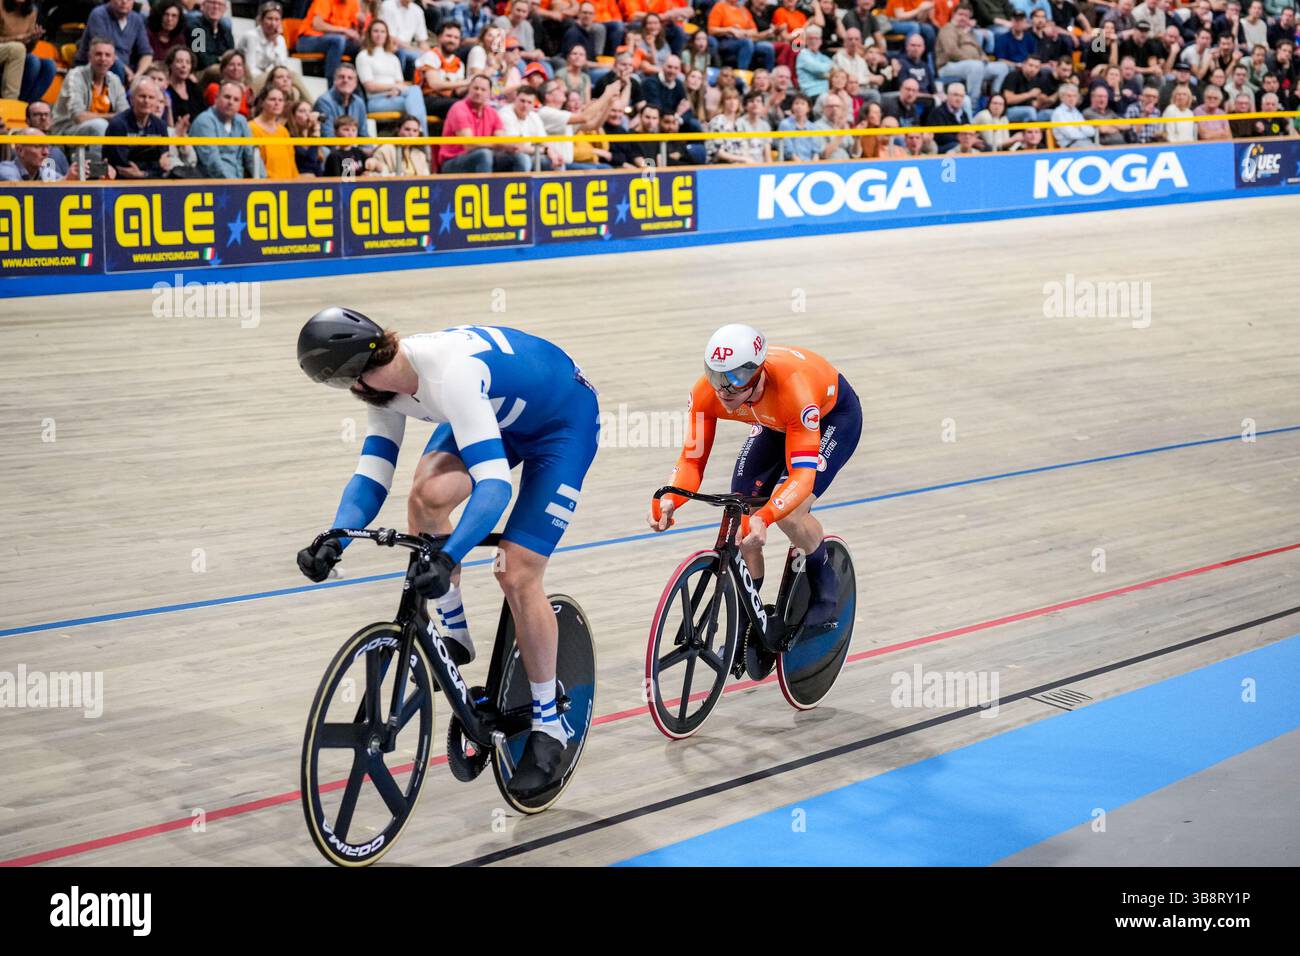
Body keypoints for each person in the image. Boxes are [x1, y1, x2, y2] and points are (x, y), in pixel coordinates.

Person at [295, 313, 601, 799]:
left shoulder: (448, 375)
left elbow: (495, 488)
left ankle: (550, 723)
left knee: (517, 572)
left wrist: (450, 554)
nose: (346, 389)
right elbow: (374, 475)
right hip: (495, 410)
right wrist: (336, 537)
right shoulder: (383, 385)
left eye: (340, 380)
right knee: (426, 498)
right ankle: (454, 634)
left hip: (562, 423)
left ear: (355, 371)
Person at [648, 325, 862, 639]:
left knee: (790, 514)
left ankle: (825, 589)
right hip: (772, 420)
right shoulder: (707, 393)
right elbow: (692, 461)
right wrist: (670, 501)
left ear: (757, 372)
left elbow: (802, 478)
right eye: (715, 376)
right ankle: (754, 618)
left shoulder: (795, 390)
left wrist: (766, 517)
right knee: (740, 515)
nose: (724, 390)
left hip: (831, 418)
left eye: (734, 379)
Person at [52, 37, 128, 161]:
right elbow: (79, 117)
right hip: (67, 131)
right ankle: (97, 171)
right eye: (98, 54)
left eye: (107, 55)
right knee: (99, 125)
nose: (103, 59)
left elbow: (125, 115)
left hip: (102, 130)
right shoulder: (75, 75)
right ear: (90, 57)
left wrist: (117, 118)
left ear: (113, 60)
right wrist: (112, 117)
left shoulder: (115, 80)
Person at [438, 72, 529, 172]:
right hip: (452, 160)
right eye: (475, 88)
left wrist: (512, 144)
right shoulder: (459, 108)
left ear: (489, 93)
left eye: (483, 89)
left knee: (520, 157)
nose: (478, 92)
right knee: (484, 154)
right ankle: (487, 187)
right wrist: (500, 144)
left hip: (484, 156)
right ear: (469, 89)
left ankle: (522, 187)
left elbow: (501, 138)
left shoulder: (492, 112)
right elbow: (469, 145)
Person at [357, 19, 429, 138]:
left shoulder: (393, 58)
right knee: (415, 96)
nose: (379, 34)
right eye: (376, 31)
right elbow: (369, 86)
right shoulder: (363, 56)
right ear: (370, 34)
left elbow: (400, 83)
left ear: (387, 35)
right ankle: (421, 138)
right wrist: (394, 87)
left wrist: (397, 90)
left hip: (396, 96)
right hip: (376, 101)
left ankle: (415, 135)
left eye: (382, 31)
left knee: (414, 94)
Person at [104, 77, 175, 178]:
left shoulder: (161, 125)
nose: (146, 101)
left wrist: (143, 174)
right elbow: (122, 166)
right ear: (132, 99)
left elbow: (163, 164)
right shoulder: (118, 124)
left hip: (152, 181)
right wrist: (152, 167)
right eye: (142, 96)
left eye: (151, 97)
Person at [192, 80, 260, 178]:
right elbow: (212, 162)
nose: (231, 102)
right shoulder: (204, 121)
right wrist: (234, 186)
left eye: (236, 99)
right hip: (211, 184)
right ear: (216, 98)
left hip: (238, 182)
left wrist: (264, 182)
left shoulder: (241, 121)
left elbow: (252, 156)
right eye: (227, 97)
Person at [75, 0, 152, 85]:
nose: (124, 1)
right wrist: (128, 71)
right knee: (115, 65)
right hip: (97, 64)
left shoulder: (137, 19)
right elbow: (104, 49)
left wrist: (138, 75)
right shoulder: (98, 14)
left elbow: (146, 53)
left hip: (126, 70)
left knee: (154, 74)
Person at [298, 0, 365, 82]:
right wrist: (343, 30)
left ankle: (359, 85)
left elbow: (353, 29)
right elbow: (317, 24)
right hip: (308, 40)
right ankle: (332, 84)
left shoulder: (352, 3)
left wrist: (360, 27)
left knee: (360, 45)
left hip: (337, 42)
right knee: (338, 40)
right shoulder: (324, 1)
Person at [419, 21, 468, 121]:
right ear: (439, 37)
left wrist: (473, 84)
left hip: (447, 100)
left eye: (456, 38)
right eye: (448, 36)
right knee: (459, 106)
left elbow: (458, 91)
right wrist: (466, 82)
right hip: (427, 99)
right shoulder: (430, 56)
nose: (452, 40)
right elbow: (434, 84)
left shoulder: (459, 63)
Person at [250, 84, 299, 178]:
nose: (277, 103)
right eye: (272, 99)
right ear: (262, 102)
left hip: (288, 187)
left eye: (280, 100)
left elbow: (292, 164)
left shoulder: (283, 131)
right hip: (265, 187)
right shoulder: (251, 128)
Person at [0, 127, 81, 180]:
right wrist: (65, 181)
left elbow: (60, 181)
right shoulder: (6, 171)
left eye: (47, 147)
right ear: (20, 150)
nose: (46, 152)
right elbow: (21, 193)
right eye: (38, 146)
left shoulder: (44, 171)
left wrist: (72, 176)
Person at [314, 62, 369, 137]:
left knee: (386, 147)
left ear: (355, 83)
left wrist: (367, 147)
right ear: (334, 80)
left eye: (350, 78)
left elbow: (363, 134)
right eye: (341, 77)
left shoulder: (359, 102)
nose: (345, 80)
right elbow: (327, 135)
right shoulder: (324, 101)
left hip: (353, 146)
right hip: (330, 147)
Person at [367, 111, 431, 172]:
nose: (411, 134)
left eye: (415, 131)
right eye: (407, 129)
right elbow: (376, 174)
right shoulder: (384, 150)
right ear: (398, 130)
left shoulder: (420, 155)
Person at [189, 0, 237, 76]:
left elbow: (231, 55)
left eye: (220, 4)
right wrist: (220, 59)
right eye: (212, 3)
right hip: (201, 72)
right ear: (203, 6)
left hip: (223, 69)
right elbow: (201, 59)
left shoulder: (225, 29)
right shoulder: (196, 28)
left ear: (224, 9)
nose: (216, 7)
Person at [288, 98, 326, 174]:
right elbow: (311, 161)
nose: (308, 115)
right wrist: (316, 130)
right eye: (302, 111)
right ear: (293, 117)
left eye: (310, 111)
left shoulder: (312, 136)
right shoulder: (291, 138)